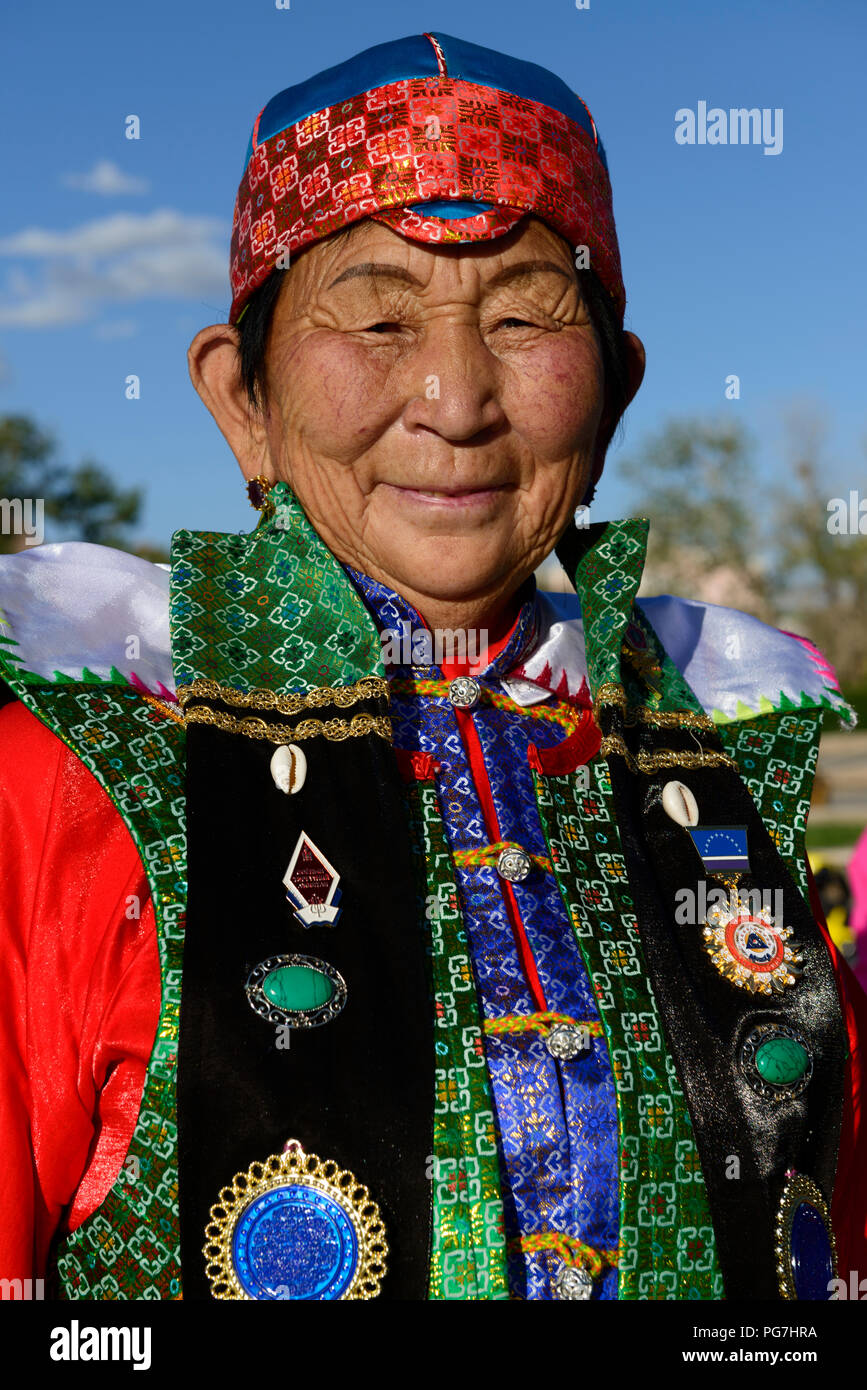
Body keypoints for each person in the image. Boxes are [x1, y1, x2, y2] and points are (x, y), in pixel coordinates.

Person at [1, 30, 865, 1303]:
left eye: (525, 313)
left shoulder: (735, 750)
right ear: (241, 396)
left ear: (616, 392)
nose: (456, 396)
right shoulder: (76, 774)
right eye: (376, 313)